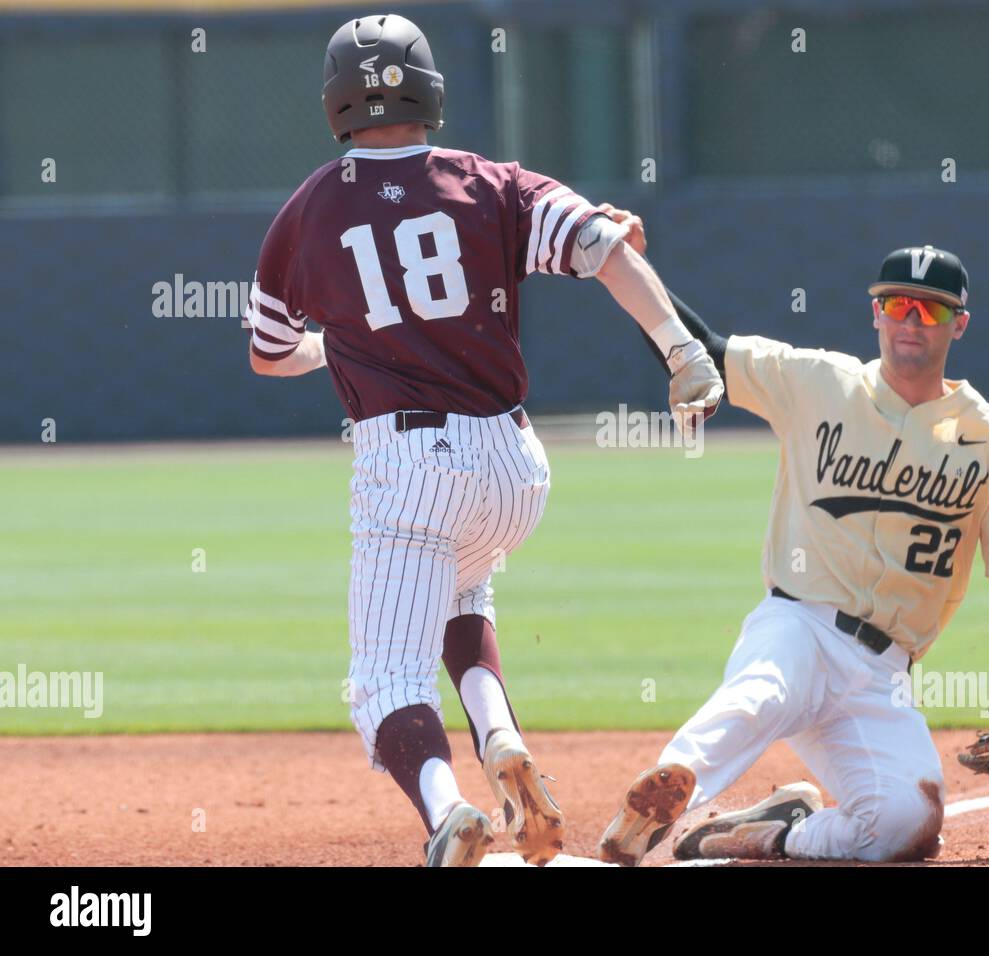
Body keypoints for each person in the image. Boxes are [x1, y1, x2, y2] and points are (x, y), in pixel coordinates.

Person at [244, 14, 722, 867]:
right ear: (430, 91)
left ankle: (446, 811)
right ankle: (500, 738)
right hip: (513, 468)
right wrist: (683, 353)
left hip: (408, 467)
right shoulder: (489, 182)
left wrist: (341, 340)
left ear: (335, 102)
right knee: (465, 603)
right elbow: (608, 247)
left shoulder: (312, 205)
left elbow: (269, 353)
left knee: (382, 686)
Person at [598, 237, 989, 865]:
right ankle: (666, 791)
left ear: (960, 323)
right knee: (759, 693)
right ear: (875, 312)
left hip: (882, 676)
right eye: (897, 304)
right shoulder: (815, 381)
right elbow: (700, 349)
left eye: (929, 310)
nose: (910, 321)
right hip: (798, 623)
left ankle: (775, 831)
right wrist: (623, 266)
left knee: (908, 827)